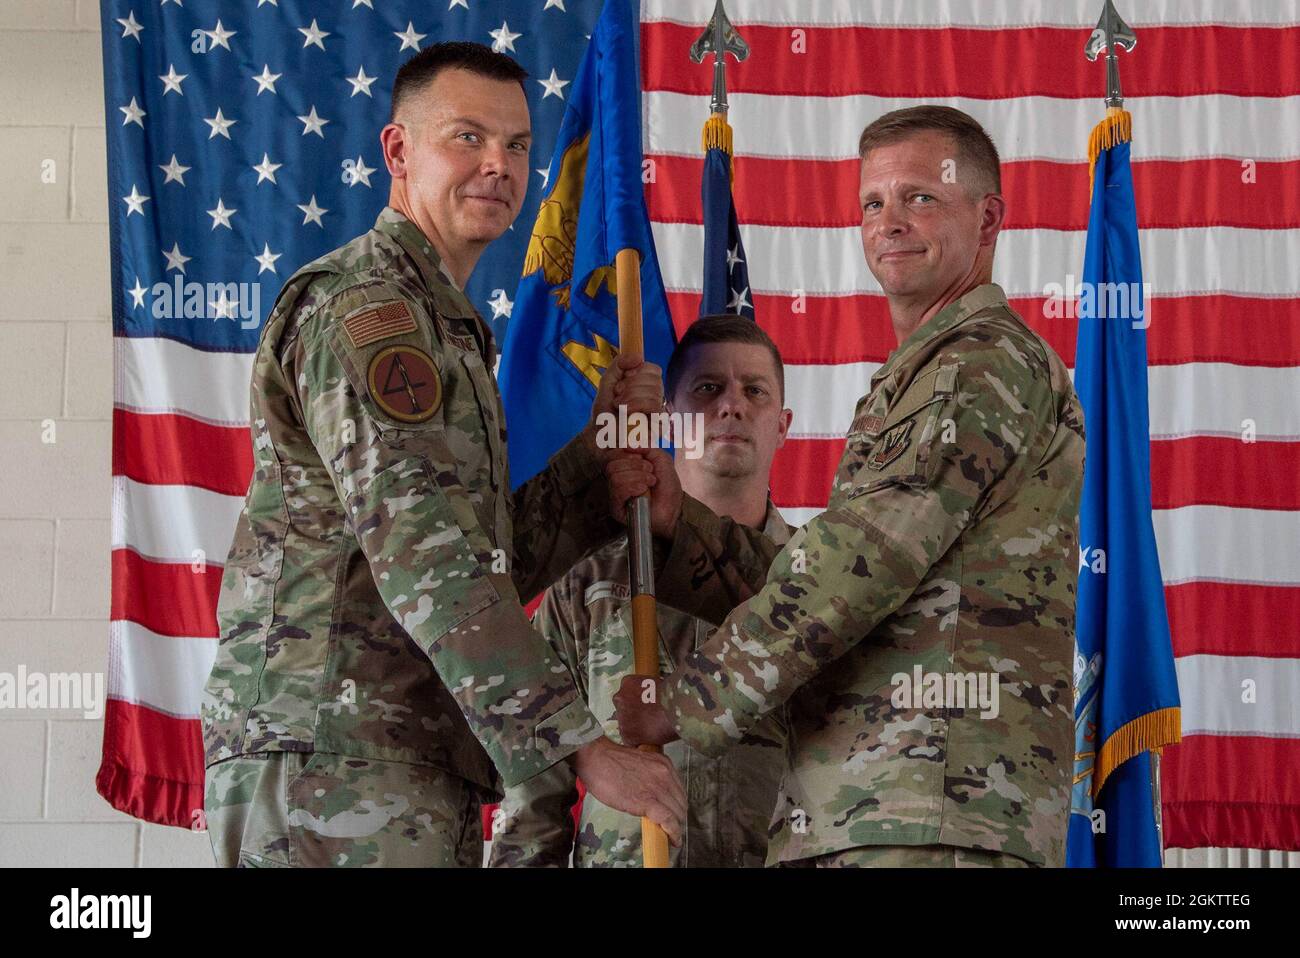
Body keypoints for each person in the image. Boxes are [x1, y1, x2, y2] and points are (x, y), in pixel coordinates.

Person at [201, 41, 685, 868]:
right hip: (336, 756)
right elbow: (426, 560)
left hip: (411, 756)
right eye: (468, 137)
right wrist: (578, 746)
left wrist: (594, 471)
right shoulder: (367, 310)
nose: (498, 165)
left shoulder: (446, 326)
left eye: (518, 146)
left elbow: (485, 561)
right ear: (399, 151)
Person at [609, 106, 1085, 868]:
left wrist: (686, 700)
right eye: (874, 203)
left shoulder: (977, 364)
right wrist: (682, 527)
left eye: (921, 196)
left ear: (989, 216)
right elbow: (852, 574)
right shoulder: (923, 372)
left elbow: (860, 566)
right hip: (878, 806)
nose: (890, 221)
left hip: (929, 807)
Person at [489, 317, 793, 867]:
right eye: (707, 389)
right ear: (671, 421)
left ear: (784, 424)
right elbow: (534, 780)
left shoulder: (820, 584)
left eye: (754, 390)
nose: (731, 406)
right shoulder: (590, 583)